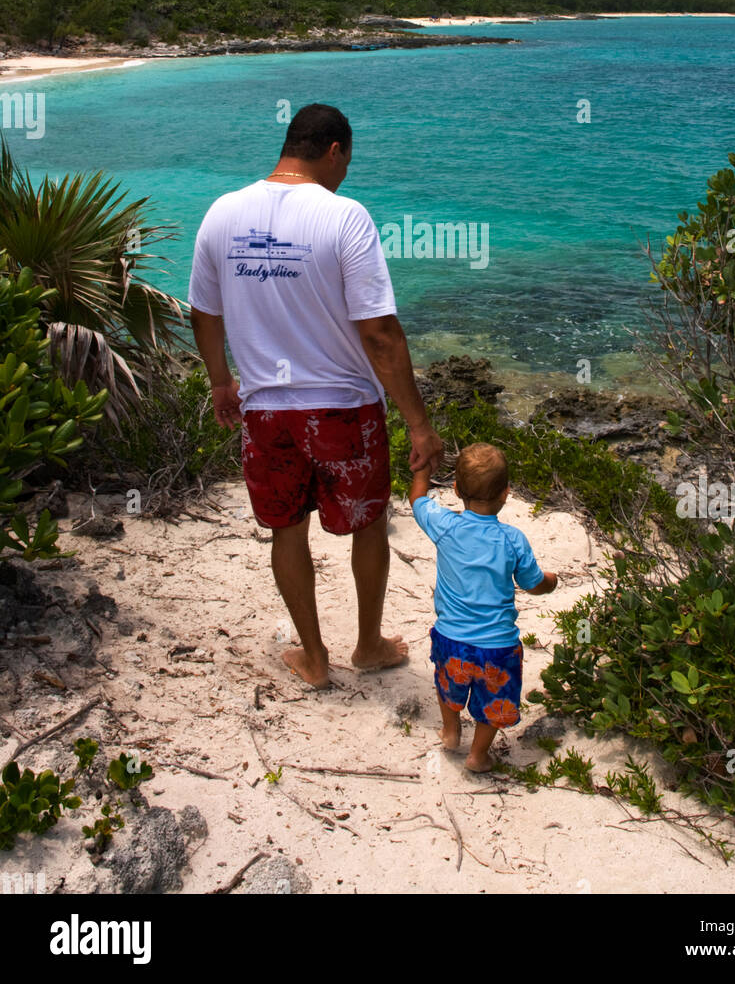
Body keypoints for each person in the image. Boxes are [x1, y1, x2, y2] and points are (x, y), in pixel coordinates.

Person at [188, 102, 443, 689]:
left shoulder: (222, 214)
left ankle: (314, 657)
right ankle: (369, 645)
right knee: (369, 524)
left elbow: (205, 312)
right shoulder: (346, 217)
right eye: (346, 161)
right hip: (343, 408)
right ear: (335, 150)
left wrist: (221, 381)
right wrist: (418, 423)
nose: (346, 173)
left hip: (267, 410)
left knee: (286, 529)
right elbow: (379, 333)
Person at [409, 442, 558, 772]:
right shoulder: (513, 540)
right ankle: (478, 755)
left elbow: (418, 499)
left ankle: (450, 732)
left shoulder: (444, 525)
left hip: (451, 640)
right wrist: (552, 581)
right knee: (494, 703)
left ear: (457, 489)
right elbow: (534, 584)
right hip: (498, 648)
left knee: (448, 687)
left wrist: (422, 467)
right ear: (507, 492)